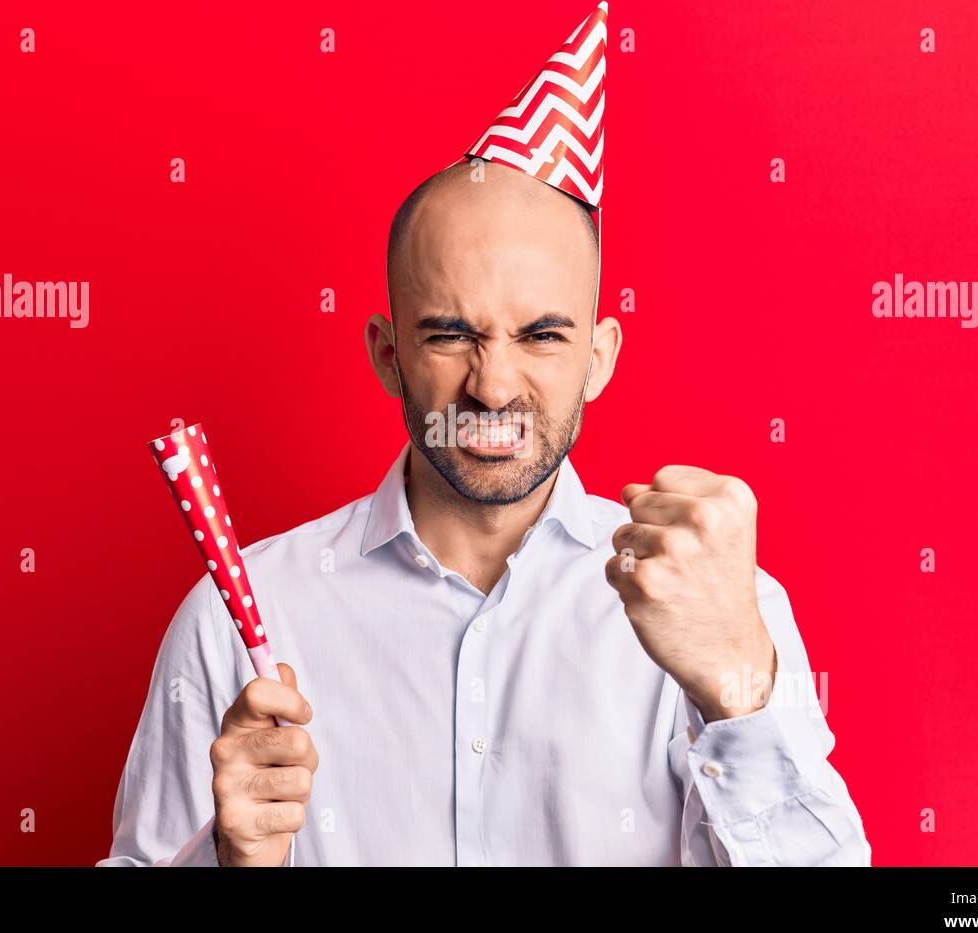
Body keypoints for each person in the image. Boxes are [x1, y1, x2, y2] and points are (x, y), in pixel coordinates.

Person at [99, 1, 870, 867]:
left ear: (599, 357)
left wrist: (741, 696)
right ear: (390, 357)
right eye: (449, 335)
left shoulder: (724, 611)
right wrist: (228, 861)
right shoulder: (235, 624)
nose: (494, 386)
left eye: (542, 336)